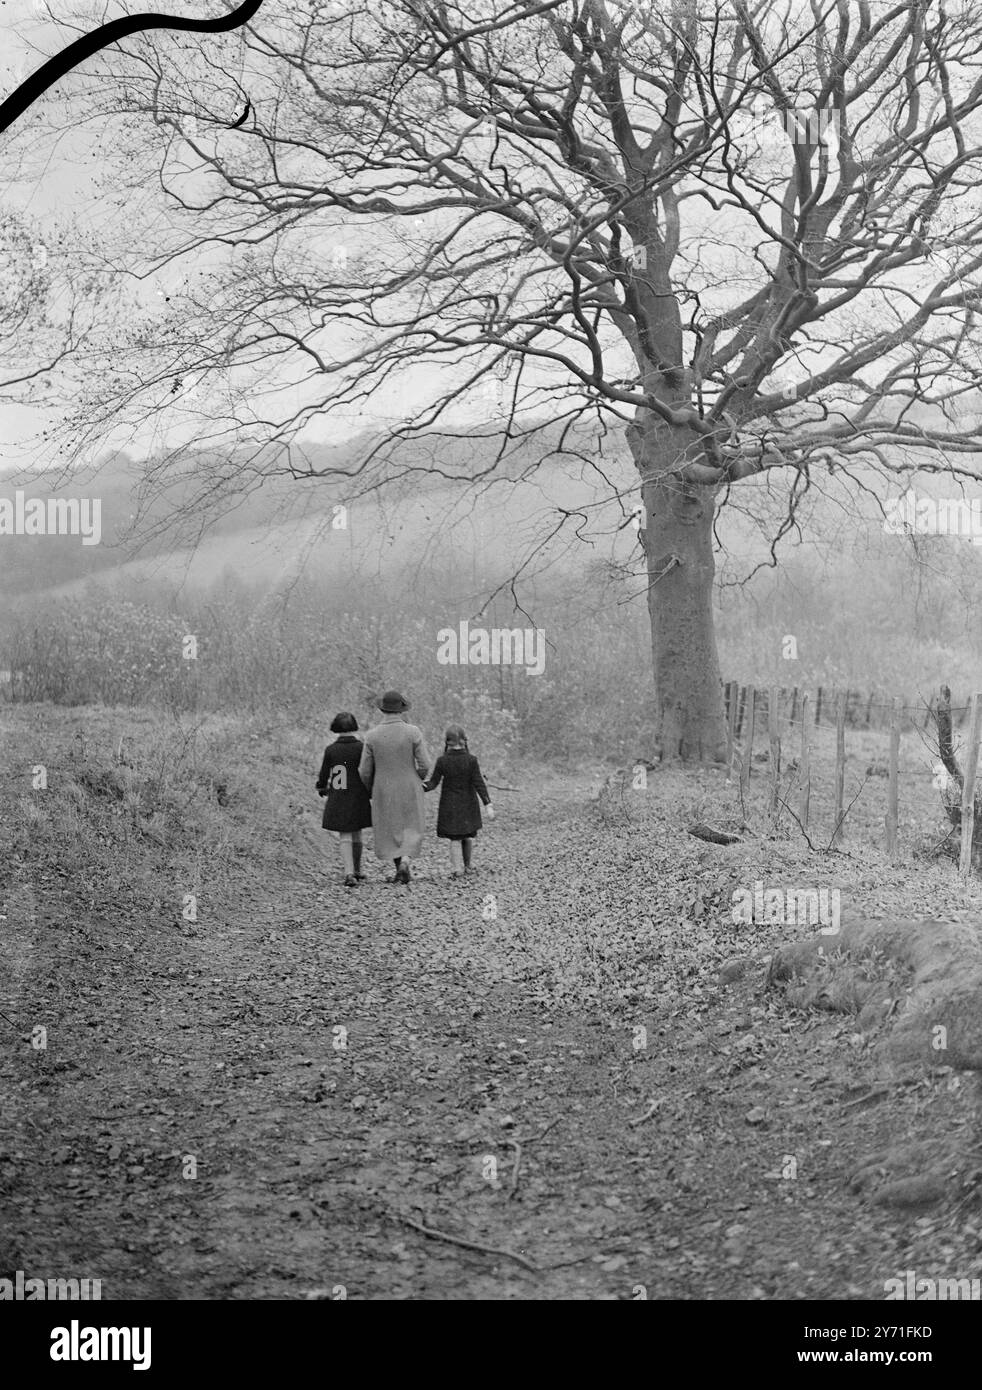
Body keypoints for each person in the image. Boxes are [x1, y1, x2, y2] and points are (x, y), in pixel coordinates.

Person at [358, 691, 431, 885]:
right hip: (409, 783)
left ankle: (399, 866)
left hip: (383, 786)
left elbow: (364, 770)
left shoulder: (372, 736)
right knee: (412, 824)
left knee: (389, 827)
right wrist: (418, 778)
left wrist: (370, 788)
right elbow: (425, 764)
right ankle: (406, 862)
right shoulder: (413, 732)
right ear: (402, 709)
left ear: (383, 709)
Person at [423, 725, 494, 877]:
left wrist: (421, 787)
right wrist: (488, 803)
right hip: (468, 804)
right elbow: (478, 783)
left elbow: (433, 783)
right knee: (467, 835)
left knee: (455, 838)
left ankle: (457, 869)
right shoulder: (471, 760)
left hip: (450, 805)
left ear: (447, 742)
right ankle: (468, 866)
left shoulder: (442, 761)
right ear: (463, 741)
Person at [316, 712, 373, 887]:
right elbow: (368, 770)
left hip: (340, 793)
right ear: (354, 726)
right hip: (359, 794)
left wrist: (321, 787)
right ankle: (357, 869)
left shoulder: (331, 750)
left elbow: (325, 773)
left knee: (345, 835)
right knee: (357, 833)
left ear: (335, 727)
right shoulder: (361, 748)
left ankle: (348, 872)